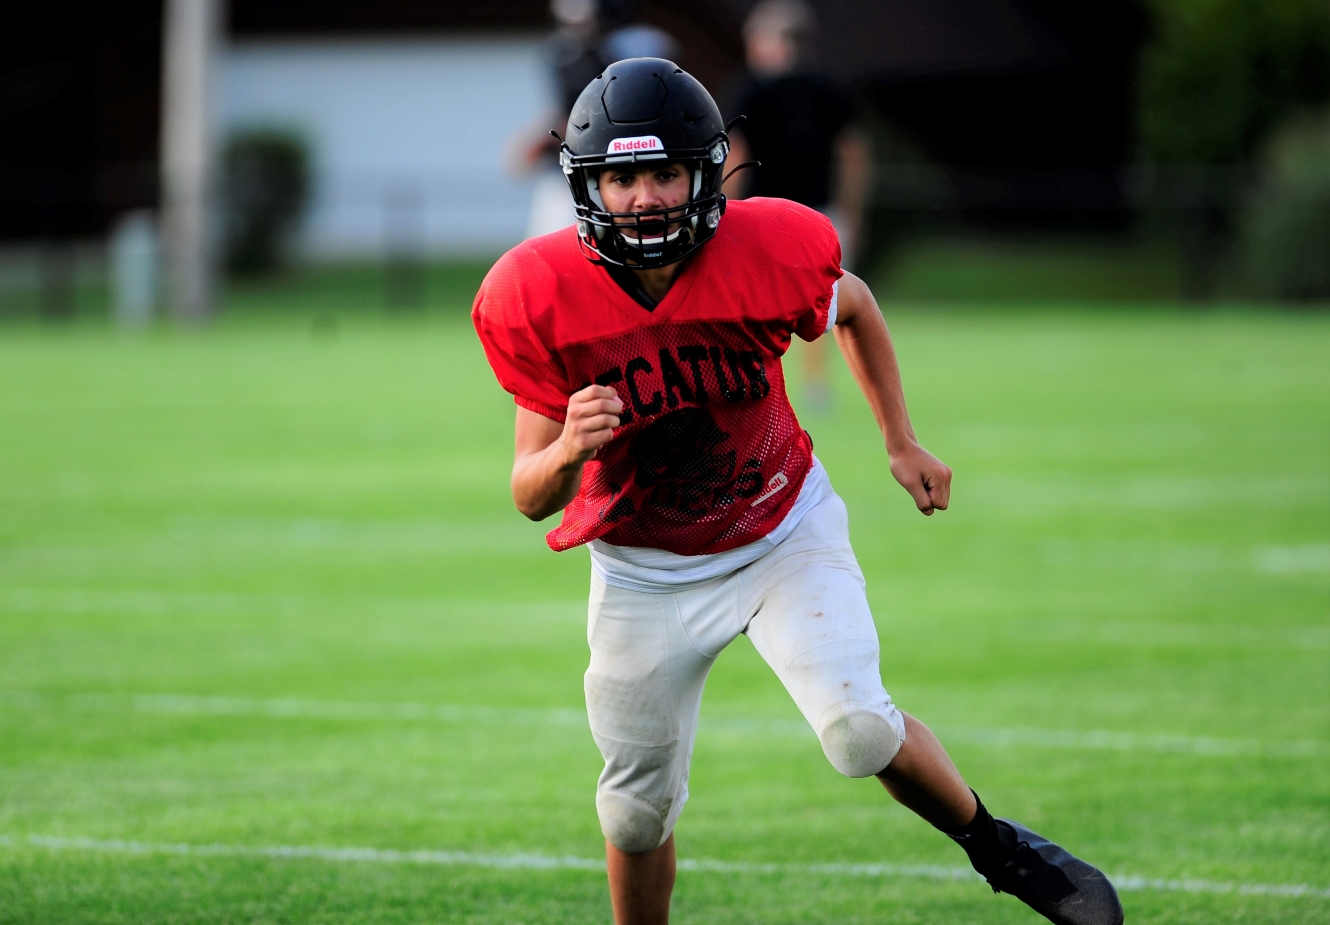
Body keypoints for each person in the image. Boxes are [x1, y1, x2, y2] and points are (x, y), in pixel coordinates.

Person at [472, 58, 1122, 925]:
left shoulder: (767, 248)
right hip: (644, 569)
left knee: (860, 730)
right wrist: (566, 451)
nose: (645, 198)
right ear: (589, 185)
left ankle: (999, 847)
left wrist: (900, 439)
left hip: (779, 530)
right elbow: (528, 493)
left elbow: (854, 306)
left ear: (706, 172)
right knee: (633, 811)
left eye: (665, 173)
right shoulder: (540, 291)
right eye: (622, 179)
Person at [724, 0, 871, 412]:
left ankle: (767, 382)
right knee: (825, 300)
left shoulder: (751, 89)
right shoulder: (829, 86)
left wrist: (723, 210)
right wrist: (851, 210)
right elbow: (853, 154)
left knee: (761, 300)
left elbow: (735, 154)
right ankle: (815, 386)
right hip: (817, 213)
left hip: (764, 216)